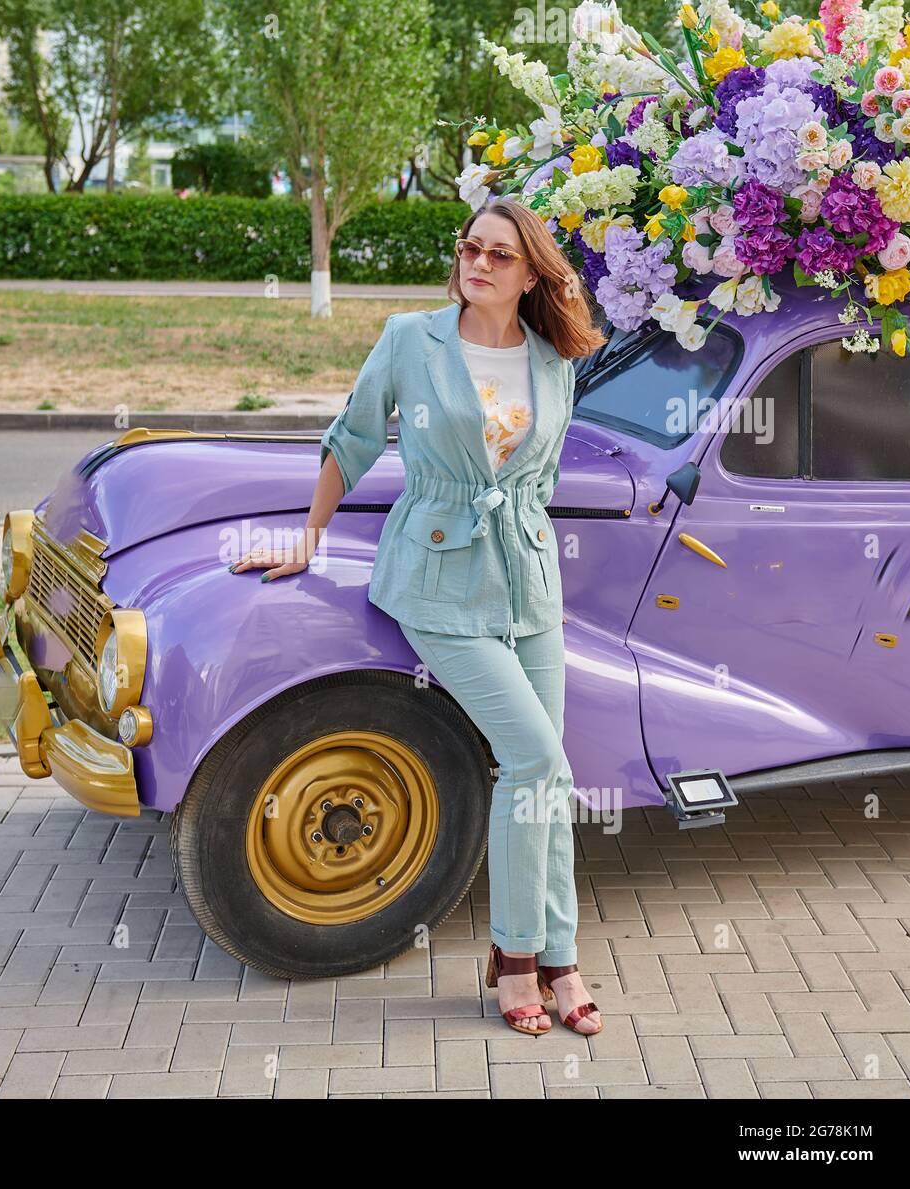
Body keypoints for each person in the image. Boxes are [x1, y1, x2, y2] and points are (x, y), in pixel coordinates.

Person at [231, 197, 608, 1036]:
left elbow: (535, 478)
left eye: (499, 254)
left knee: (552, 776)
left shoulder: (554, 359)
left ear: (530, 272)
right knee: (533, 758)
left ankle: (561, 954)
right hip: (440, 579)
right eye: (470, 246)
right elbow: (352, 437)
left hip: (529, 584)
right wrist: (309, 537)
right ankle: (515, 956)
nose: (478, 262)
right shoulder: (413, 338)